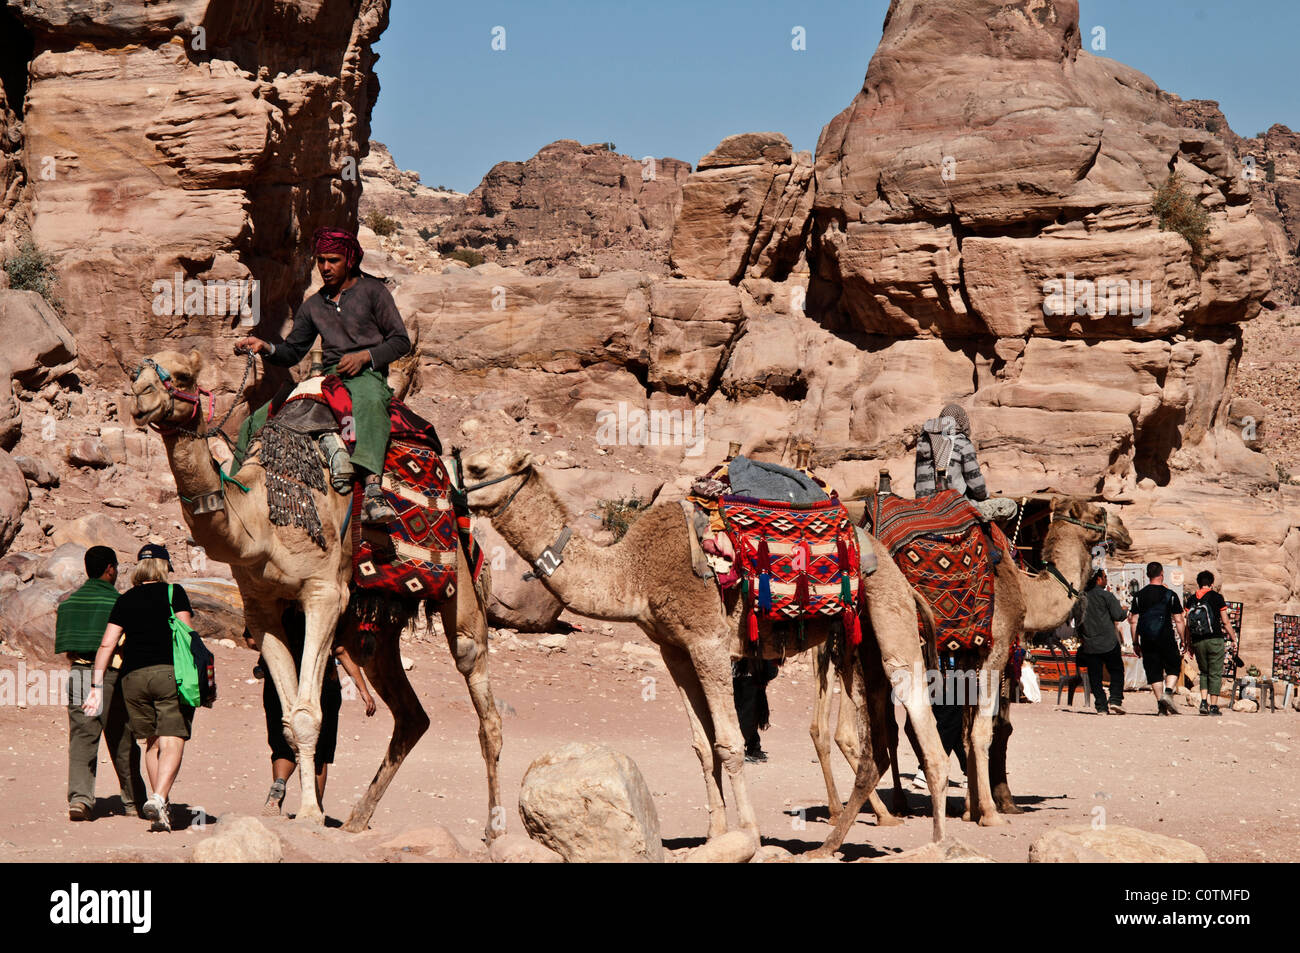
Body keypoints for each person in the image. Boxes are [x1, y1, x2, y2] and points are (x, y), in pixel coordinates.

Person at [234, 226, 411, 525]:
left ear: (350, 260)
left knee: (369, 402)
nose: (325, 267)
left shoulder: (373, 292)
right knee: (253, 422)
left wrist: (366, 356)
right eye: (320, 260)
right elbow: (293, 351)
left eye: (333, 260)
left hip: (367, 375)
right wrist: (266, 346)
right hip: (327, 378)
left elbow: (400, 341)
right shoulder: (313, 305)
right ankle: (234, 497)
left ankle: (372, 490)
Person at [83, 544, 195, 832]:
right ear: (163, 567)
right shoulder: (174, 593)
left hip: (132, 679)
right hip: (169, 673)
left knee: (152, 742)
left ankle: (162, 807)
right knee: (173, 737)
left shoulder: (125, 599)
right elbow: (188, 637)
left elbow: (107, 644)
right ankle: (158, 797)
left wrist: (95, 687)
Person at [246, 606, 376, 815]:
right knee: (319, 752)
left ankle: (279, 783)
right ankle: (313, 805)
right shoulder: (328, 607)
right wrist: (363, 690)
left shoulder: (272, 602)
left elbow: (252, 640)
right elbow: (341, 650)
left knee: (282, 746)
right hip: (319, 684)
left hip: (279, 682)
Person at [55, 546, 146, 821]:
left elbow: (66, 648)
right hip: (112, 676)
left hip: (79, 673)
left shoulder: (70, 603)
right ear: (110, 568)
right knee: (122, 738)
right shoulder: (119, 603)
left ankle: (80, 800)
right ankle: (133, 801)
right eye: (115, 567)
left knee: (82, 738)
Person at [1127, 561, 1188, 716]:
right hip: (1166, 636)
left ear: (1148, 576)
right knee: (1173, 665)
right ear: (1162, 574)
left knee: (1154, 671)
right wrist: (1183, 639)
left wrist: (1135, 642)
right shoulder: (1170, 595)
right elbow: (1179, 620)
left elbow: (1133, 621)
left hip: (1147, 639)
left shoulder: (1139, 596)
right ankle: (1168, 692)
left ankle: (1161, 707)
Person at [1184, 570, 1238, 716]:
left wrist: (1188, 643)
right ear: (1212, 583)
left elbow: (1187, 624)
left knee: (1204, 672)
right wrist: (1233, 638)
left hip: (1198, 641)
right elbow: (1225, 621)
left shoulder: (1191, 599)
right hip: (1215, 639)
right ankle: (1213, 706)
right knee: (1215, 673)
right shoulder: (1217, 597)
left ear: (1199, 583)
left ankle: (1203, 701)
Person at [1077, 568, 1128, 715]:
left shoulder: (1080, 598)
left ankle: (1101, 706)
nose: (1106, 580)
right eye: (1105, 577)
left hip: (1090, 644)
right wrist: (1125, 611)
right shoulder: (1106, 596)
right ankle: (1115, 700)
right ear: (1098, 579)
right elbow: (1118, 615)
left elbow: (1077, 621)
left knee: (1095, 676)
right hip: (1109, 642)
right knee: (1117, 671)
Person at [732, 658, 779, 763]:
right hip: (745, 672)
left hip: (752, 673)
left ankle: (753, 747)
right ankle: (740, 748)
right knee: (746, 712)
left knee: (751, 711)